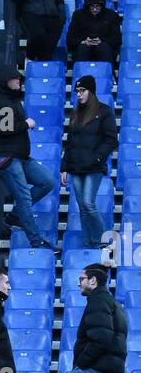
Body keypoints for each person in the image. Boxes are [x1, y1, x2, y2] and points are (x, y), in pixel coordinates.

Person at [46, 263, 126, 373]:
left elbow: (101, 338)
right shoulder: (113, 303)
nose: (78, 283)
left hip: (97, 369)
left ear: (93, 280)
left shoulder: (99, 301)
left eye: (81, 279)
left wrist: (81, 364)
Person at [0, 63, 56, 250]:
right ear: (4, 81)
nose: (19, 80)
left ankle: (14, 216)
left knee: (47, 182)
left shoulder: (12, 99)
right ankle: (36, 241)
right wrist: (26, 124)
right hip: (5, 157)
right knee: (24, 198)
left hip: (20, 156)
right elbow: (2, 128)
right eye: (15, 78)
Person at [61, 75, 118, 249]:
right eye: (77, 91)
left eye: (82, 90)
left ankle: (103, 241)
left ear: (90, 91)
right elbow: (69, 142)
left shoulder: (105, 111)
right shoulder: (75, 113)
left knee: (88, 203)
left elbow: (111, 139)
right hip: (75, 167)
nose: (79, 94)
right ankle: (90, 243)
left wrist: (98, 158)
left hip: (93, 167)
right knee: (82, 207)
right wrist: (64, 167)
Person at [66, 0, 122, 64]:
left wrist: (101, 41)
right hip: (82, 48)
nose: (95, 9)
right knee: (83, 49)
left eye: (97, 6)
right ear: (87, 6)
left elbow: (116, 39)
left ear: (102, 6)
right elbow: (70, 39)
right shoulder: (78, 15)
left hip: (105, 48)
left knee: (103, 48)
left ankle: (106, 73)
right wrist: (84, 41)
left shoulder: (112, 16)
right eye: (92, 6)